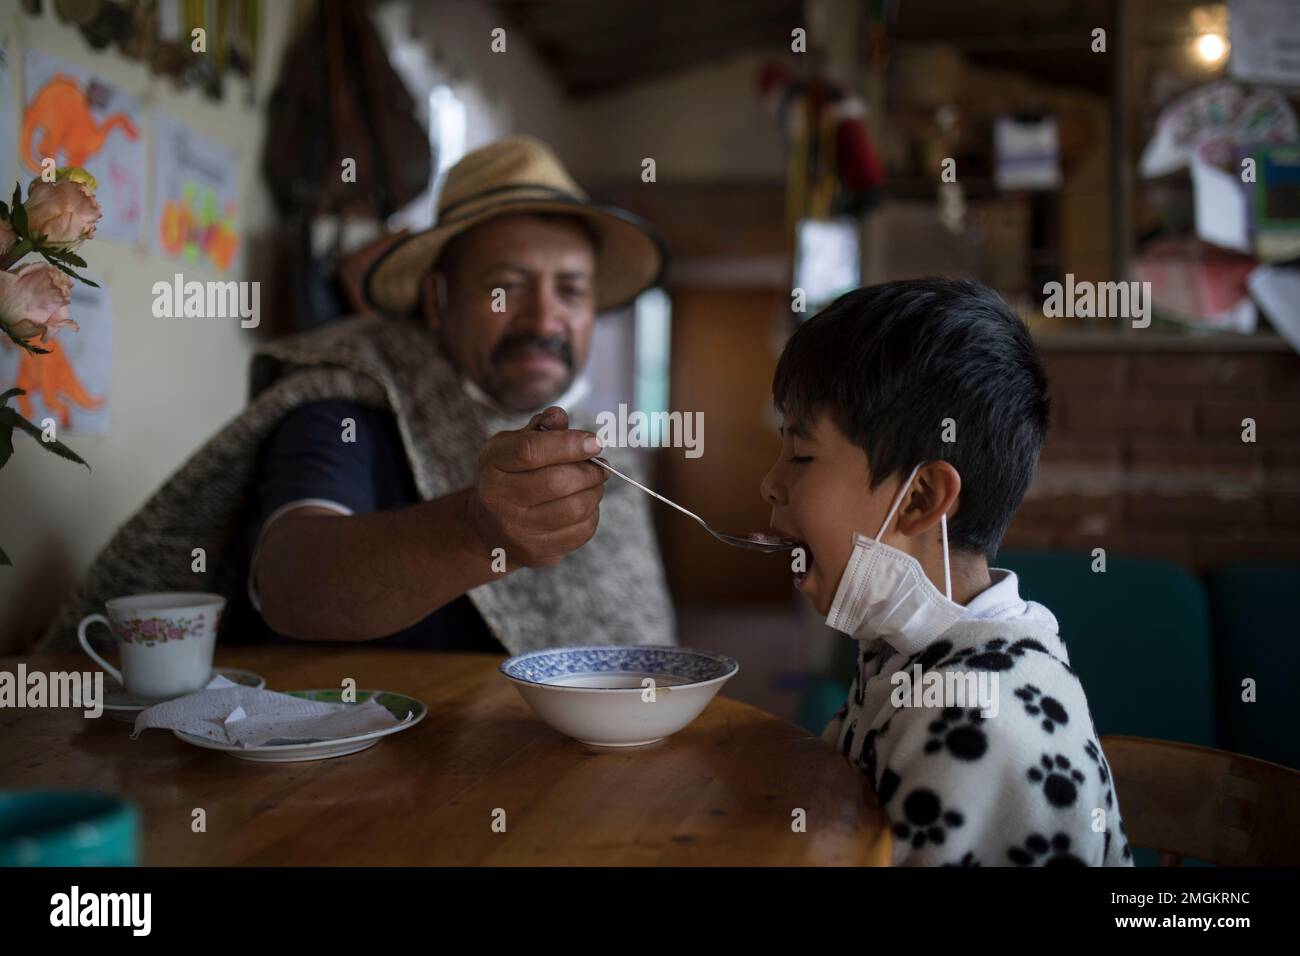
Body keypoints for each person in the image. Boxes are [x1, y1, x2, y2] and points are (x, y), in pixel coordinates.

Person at [43, 136, 674, 655]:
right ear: (438, 300)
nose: (544, 319)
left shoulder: (599, 445)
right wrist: (477, 529)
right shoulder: (351, 398)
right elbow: (292, 583)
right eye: (506, 287)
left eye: (571, 291)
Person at [759, 278, 1131, 866]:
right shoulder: (910, 646)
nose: (770, 483)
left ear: (920, 498)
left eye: (802, 455)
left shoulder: (979, 725)